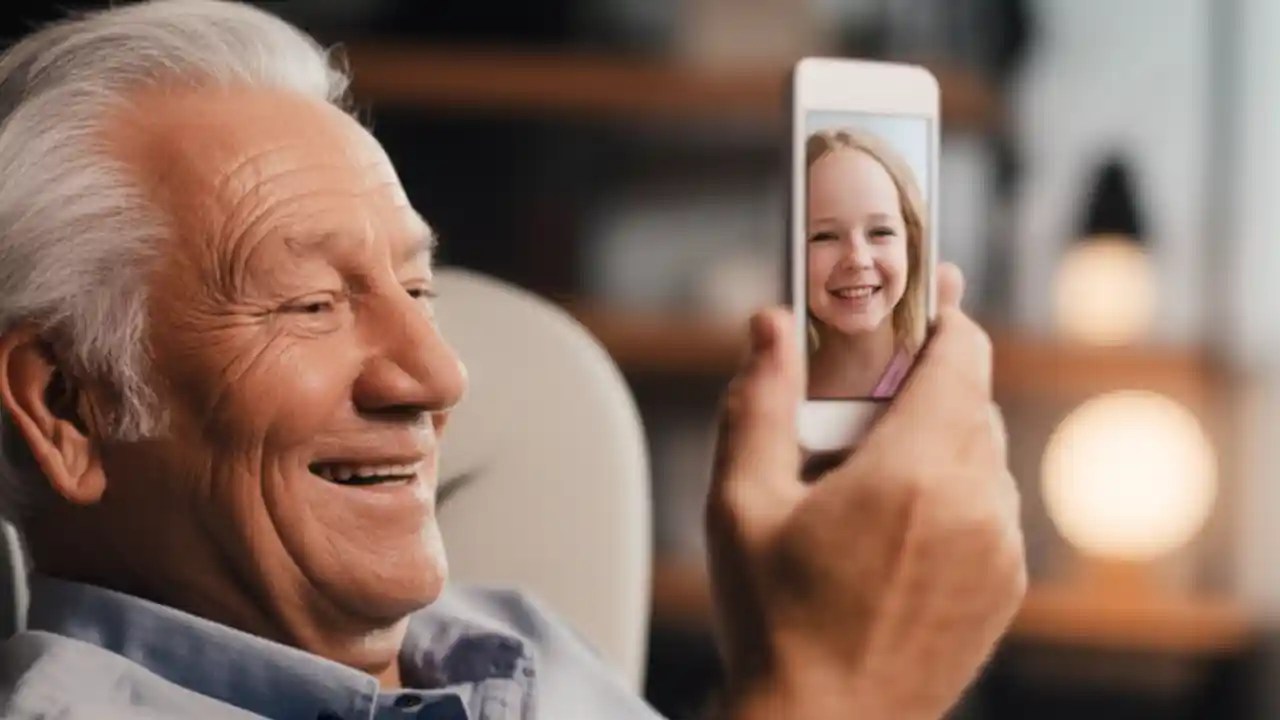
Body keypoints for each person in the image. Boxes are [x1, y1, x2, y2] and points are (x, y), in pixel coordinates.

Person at [0, 2, 1025, 718]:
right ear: (67, 405)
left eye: (417, 289)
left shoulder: (513, 642)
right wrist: (836, 692)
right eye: (310, 304)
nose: (437, 379)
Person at [806, 128, 928, 399]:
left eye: (880, 232)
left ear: (912, 246)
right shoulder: (779, 388)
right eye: (824, 236)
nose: (858, 259)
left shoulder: (933, 384)